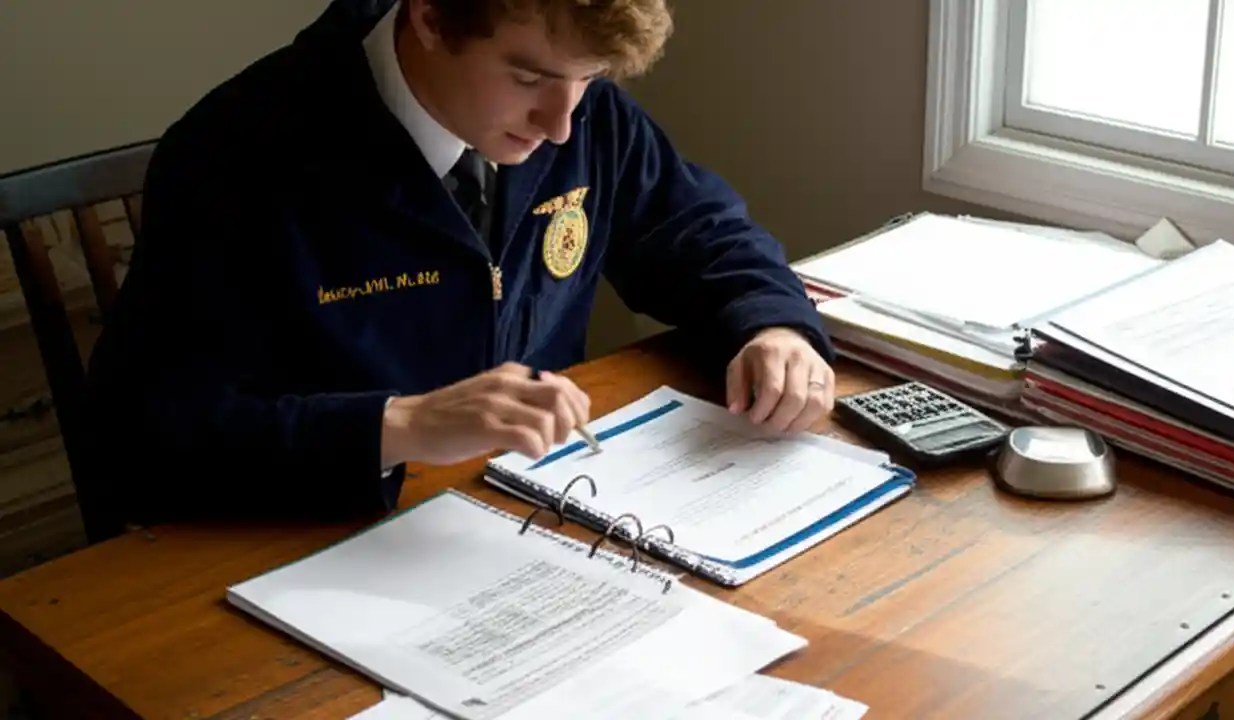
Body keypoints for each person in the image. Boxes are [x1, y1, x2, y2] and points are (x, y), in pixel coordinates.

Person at [84, 0, 836, 528]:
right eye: (530, 77)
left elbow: (699, 231)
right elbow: (148, 432)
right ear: (431, 17)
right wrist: (396, 426)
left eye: (592, 79)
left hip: (525, 515)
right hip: (302, 544)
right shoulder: (237, 155)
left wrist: (773, 327)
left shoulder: (585, 117)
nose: (562, 123)